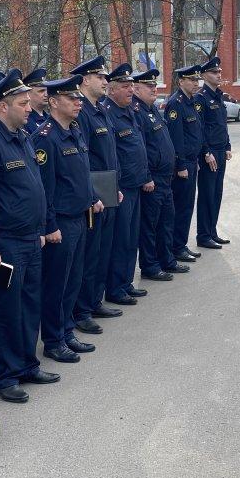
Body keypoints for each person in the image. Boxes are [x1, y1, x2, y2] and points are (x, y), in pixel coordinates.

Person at [0, 69, 59, 404]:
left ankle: (27, 365)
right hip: (4, 243)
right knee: (4, 310)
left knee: (30, 304)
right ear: (4, 106)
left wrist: (44, 227)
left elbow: (36, 188)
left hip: (30, 238)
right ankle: (4, 376)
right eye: (23, 103)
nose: (30, 107)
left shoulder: (21, 137)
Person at [34, 75, 105, 364]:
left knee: (73, 279)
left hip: (79, 216)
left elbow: (81, 172)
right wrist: (49, 226)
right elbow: (45, 189)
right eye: (71, 98)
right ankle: (53, 340)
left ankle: (66, 332)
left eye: (78, 98)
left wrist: (91, 197)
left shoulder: (74, 130)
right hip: (60, 222)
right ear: (53, 102)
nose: (78, 103)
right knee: (57, 283)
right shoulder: (45, 137)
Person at [71, 56, 124, 336]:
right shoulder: (81, 113)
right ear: (84, 81)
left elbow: (108, 155)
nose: (105, 81)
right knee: (89, 255)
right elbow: (84, 161)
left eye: (105, 78)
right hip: (93, 195)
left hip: (107, 189)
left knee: (102, 251)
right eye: (100, 77)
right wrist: (94, 194)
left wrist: (113, 185)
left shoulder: (100, 110)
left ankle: (94, 300)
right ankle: (82, 310)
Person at [103, 63, 153, 305]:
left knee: (131, 238)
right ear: (112, 90)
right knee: (120, 240)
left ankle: (125, 282)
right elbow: (112, 155)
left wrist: (144, 176)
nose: (131, 90)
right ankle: (115, 288)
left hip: (135, 185)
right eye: (125, 87)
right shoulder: (108, 113)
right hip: (120, 188)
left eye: (132, 86)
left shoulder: (130, 112)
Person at [132, 68, 186, 281]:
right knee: (150, 225)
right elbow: (141, 149)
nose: (154, 89)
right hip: (153, 179)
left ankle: (167, 260)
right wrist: (147, 176)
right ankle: (150, 266)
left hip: (165, 177)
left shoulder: (151, 109)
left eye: (155, 85)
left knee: (166, 221)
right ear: (136, 89)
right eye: (149, 86)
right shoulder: (137, 112)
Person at [164, 64, 204, 263]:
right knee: (180, 207)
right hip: (182, 165)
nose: (196, 84)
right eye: (192, 80)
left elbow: (195, 133)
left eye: (197, 80)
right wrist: (179, 165)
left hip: (191, 161)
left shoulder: (192, 102)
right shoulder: (176, 103)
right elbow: (175, 138)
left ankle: (181, 244)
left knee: (188, 206)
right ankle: (175, 247)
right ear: (181, 81)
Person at [194, 56, 232, 249]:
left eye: (219, 72)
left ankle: (212, 231)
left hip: (220, 150)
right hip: (209, 153)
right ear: (204, 75)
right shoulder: (201, 98)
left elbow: (221, 125)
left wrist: (227, 146)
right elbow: (200, 128)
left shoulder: (218, 96)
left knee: (217, 193)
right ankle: (203, 235)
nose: (218, 75)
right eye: (214, 72)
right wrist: (206, 152)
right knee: (207, 194)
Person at [24, 67, 49, 133]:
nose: (46, 94)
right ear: (28, 93)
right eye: (41, 91)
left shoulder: (50, 118)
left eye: (47, 90)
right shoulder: (24, 120)